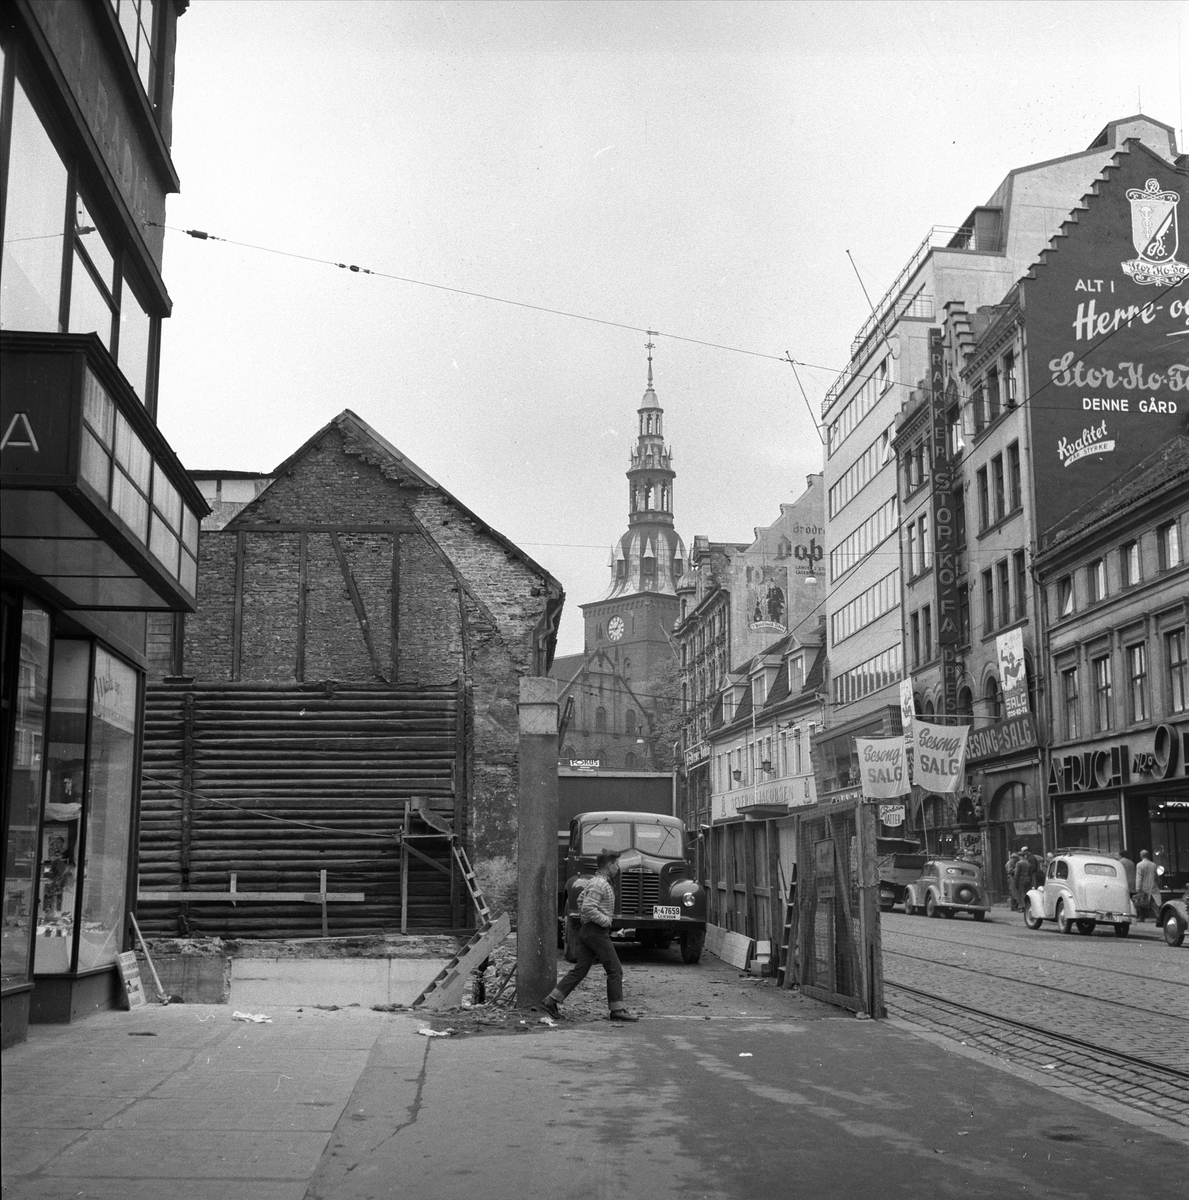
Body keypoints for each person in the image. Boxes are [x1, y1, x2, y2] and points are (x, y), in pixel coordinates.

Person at [541, 850, 638, 1022]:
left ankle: (551, 1001)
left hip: (589, 930)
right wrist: (605, 920)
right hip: (596, 932)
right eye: (616, 864)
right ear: (609, 866)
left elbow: (580, 901)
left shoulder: (595, 881)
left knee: (580, 970)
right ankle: (617, 1010)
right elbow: (587, 907)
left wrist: (587, 920)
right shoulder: (600, 884)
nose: (618, 868)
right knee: (615, 970)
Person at [1134, 850, 1160, 922]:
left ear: (1141, 855)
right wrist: (1157, 883)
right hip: (1153, 886)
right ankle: (1158, 917)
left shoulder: (1139, 865)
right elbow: (1156, 876)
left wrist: (1138, 888)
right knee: (1154, 903)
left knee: (1141, 902)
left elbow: (1139, 877)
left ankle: (1141, 917)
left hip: (1144, 887)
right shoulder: (1153, 865)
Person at [1011, 850, 1034, 914]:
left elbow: (1017, 873)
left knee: (1021, 893)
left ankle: (1023, 907)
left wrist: (1015, 882)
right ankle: (1027, 906)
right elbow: (1030, 873)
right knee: (1027, 893)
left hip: (1021, 879)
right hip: (1028, 879)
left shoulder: (1019, 863)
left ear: (1020, 856)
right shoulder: (1028, 863)